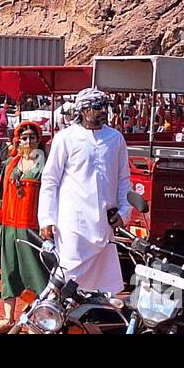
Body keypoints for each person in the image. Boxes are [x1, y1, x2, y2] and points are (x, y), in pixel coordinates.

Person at [37, 88, 132, 295]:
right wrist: (46, 219)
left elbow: (124, 180)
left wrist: (124, 213)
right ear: (84, 109)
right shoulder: (66, 138)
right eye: (97, 108)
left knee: (104, 288)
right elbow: (50, 180)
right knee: (67, 280)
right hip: (72, 225)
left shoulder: (115, 139)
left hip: (104, 224)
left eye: (104, 107)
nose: (103, 112)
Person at [0, 121, 49, 333]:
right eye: (24, 137)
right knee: (10, 271)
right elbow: (0, 195)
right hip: (9, 225)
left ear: (38, 140)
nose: (28, 141)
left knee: (34, 272)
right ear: (17, 140)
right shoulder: (11, 164)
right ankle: (7, 318)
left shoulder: (45, 165)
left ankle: (34, 319)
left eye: (32, 137)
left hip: (31, 227)